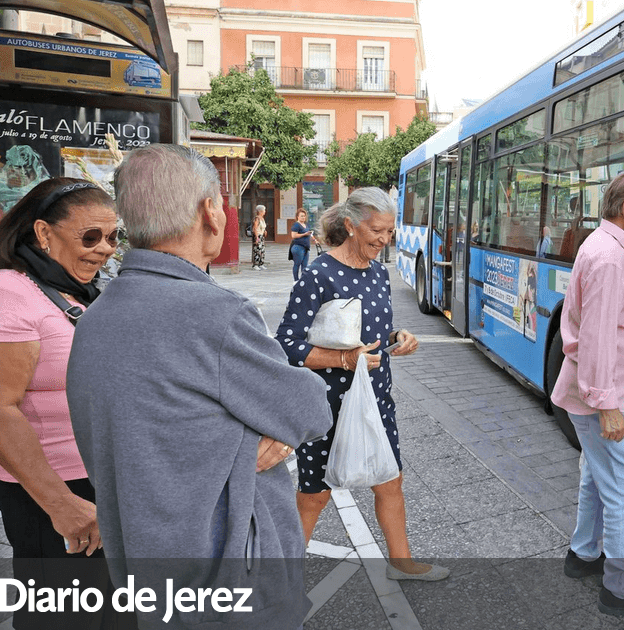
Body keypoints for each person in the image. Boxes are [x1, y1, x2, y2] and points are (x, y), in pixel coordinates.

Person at [66, 144, 333, 628]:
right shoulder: (214, 314)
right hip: (226, 575)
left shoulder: (95, 317)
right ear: (210, 212)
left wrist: (236, 434)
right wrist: (252, 433)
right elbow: (310, 407)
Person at [0, 177, 121, 629]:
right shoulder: (1, 293)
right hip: (52, 488)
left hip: (95, 479)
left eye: (112, 236)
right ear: (43, 234)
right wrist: (60, 503)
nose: (104, 248)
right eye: (90, 236)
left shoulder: (72, 289)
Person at [276, 188, 448, 582]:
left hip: (374, 399)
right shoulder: (319, 274)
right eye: (376, 230)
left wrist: (397, 337)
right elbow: (286, 345)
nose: (384, 240)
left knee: (390, 480)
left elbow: (373, 331)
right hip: (325, 404)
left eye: (389, 231)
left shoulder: (378, 273)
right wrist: (342, 359)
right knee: (314, 495)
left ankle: (402, 564)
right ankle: (282, 582)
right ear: (351, 226)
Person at [550, 168, 624, 619]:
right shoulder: (612, 258)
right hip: (608, 396)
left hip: (611, 392)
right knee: (623, 491)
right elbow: (598, 336)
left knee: (594, 476)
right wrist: (607, 406)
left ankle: (583, 554)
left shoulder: (610, 248)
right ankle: (620, 589)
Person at [290, 208, 315, 280]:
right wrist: (304, 234)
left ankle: (303, 280)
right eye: (301, 216)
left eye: (304, 216)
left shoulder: (306, 224)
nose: (303, 217)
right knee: (297, 264)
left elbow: (309, 233)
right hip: (298, 247)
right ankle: (296, 280)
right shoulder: (296, 225)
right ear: (297, 216)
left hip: (306, 247)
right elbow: (293, 236)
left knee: (305, 265)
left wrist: (314, 239)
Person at [252, 204, 267, 270]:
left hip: (262, 236)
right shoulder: (257, 218)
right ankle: (255, 264)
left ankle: (261, 264)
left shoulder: (262, 219)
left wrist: (264, 231)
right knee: (257, 250)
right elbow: (254, 228)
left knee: (262, 250)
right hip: (257, 235)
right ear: (260, 211)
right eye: (264, 210)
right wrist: (256, 237)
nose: (265, 211)